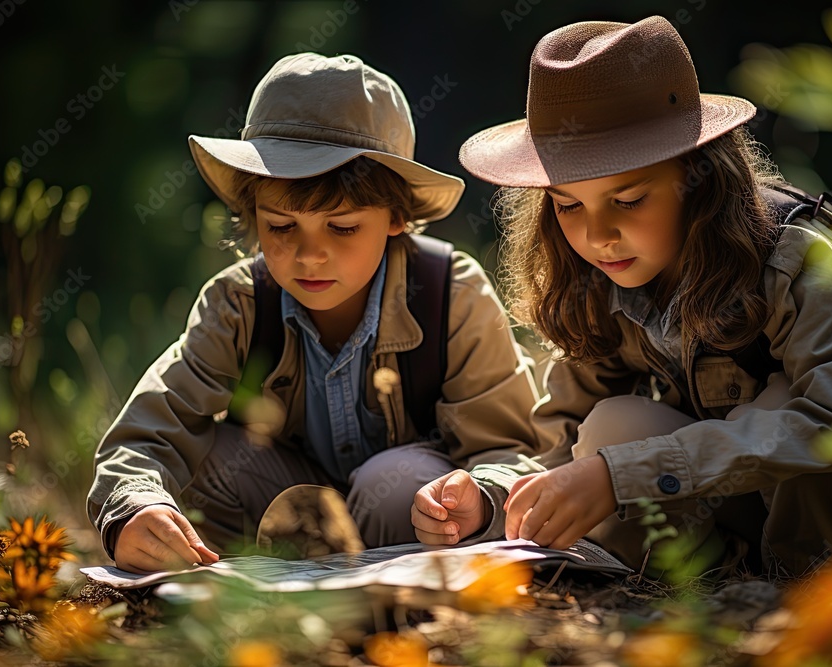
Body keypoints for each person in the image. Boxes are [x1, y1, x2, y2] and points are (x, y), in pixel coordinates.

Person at [412, 17, 832, 579]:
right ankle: (709, 589)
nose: (597, 236)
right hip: (713, 535)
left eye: (627, 200)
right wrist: (488, 497)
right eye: (567, 205)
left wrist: (622, 474)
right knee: (612, 427)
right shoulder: (596, 280)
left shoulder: (798, 260)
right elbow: (564, 446)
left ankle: (802, 589)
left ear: (701, 178)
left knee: (774, 403)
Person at [87, 53, 541, 573]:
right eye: (282, 227)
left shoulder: (451, 294)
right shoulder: (237, 303)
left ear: (396, 217)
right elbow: (152, 427)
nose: (309, 255)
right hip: (280, 510)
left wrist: (481, 494)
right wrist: (134, 507)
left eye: (342, 228)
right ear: (253, 215)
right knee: (200, 460)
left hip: (414, 524)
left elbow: (511, 450)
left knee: (393, 481)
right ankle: (245, 594)